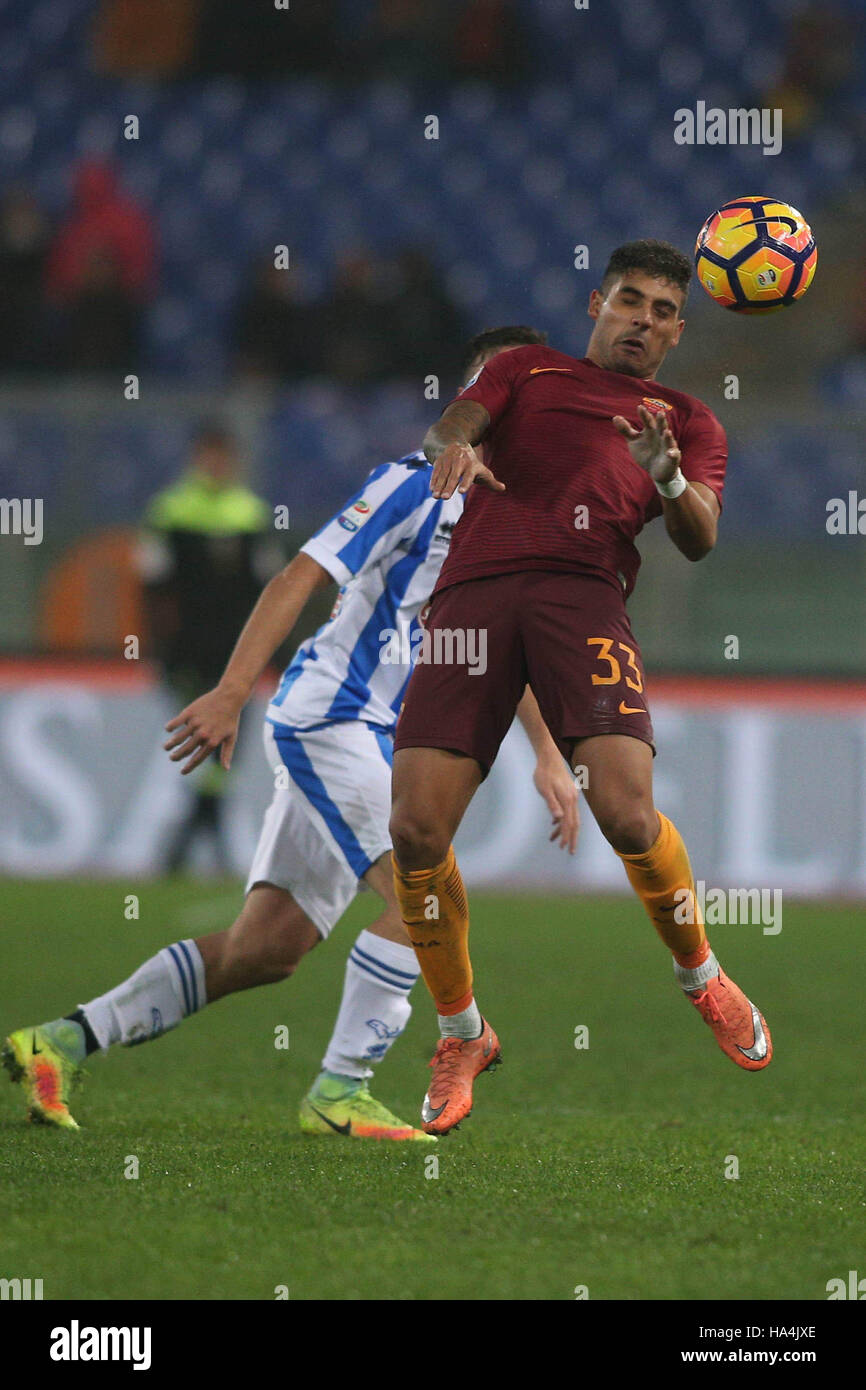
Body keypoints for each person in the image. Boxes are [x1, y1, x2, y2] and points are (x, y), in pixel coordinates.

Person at [3, 328, 579, 1141]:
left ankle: (57, 1043)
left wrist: (549, 757)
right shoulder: (411, 487)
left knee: (263, 951)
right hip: (330, 717)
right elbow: (300, 573)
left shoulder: (515, 522)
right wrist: (233, 689)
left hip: (373, 736)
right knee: (429, 900)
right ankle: (340, 1092)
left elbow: (497, 649)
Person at [388, 240, 774, 1138]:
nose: (641, 319)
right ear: (597, 302)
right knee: (413, 828)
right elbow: (451, 423)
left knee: (630, 816)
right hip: (474, 595)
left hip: (582, 597)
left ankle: (702, 977)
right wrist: (451, 448)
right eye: (629, 300)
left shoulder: (689, 421)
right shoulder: (525, 368)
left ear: (679, 330)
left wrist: (666, 470)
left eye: (662, 311)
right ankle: (461, 1033)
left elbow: (700, 537)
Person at [137, 422, 283, 872]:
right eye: (210, 456)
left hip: (238, 650)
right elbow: (152, 584)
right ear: (196, 458)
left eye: (223, 457)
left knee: (223, 742)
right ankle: (204, 836)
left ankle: (187, 842)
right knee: (206, 738)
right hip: (186, 649)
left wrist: (273, 649)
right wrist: (157, 645)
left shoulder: (251, 514)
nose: (216, 465)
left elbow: (272, 588)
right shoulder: (170, 511)